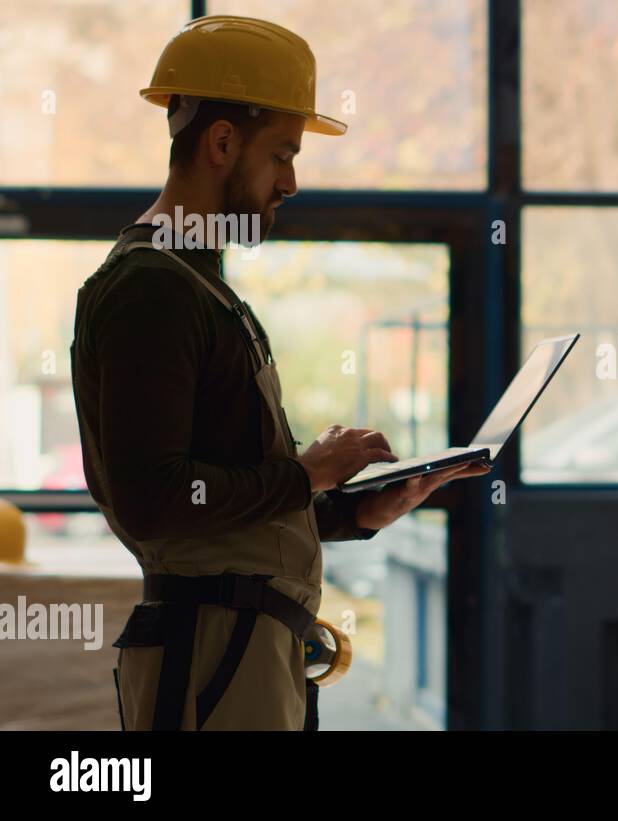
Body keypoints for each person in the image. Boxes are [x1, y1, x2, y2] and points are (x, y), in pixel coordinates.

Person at [69, 15, 487, 731]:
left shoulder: (198, 285)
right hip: (212, 662)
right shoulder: (152, 289)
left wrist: (348, 512)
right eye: (282, 154)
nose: (291, 181)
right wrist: (307, 473)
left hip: (241, 653)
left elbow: (217, 513)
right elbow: (153, 498)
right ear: (222, 142)